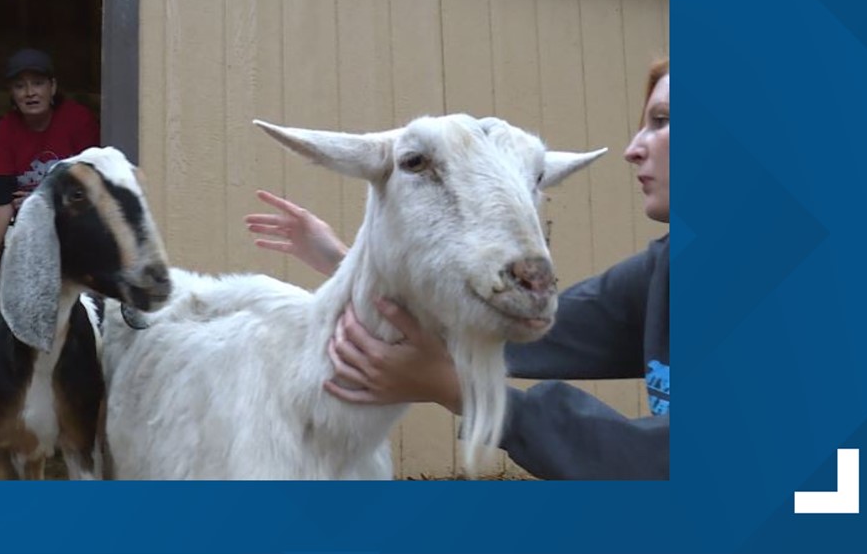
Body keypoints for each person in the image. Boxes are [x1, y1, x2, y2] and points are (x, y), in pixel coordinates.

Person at [244, 58, 670, 480]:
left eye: (662, 120)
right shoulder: (664, 272)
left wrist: (457, 389)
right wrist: (354, 265)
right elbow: (529, 323)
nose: (633, 149)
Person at [0, 48, 100, 288]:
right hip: (24, 231)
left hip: (74, 225)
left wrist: (42, 199)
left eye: (38, 84)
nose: (30, 93)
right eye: (20, 86)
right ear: (11, 93)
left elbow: (92, 188)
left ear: (53, 88)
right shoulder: (2, 134)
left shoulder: (78, 120)